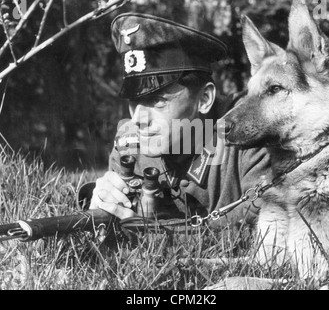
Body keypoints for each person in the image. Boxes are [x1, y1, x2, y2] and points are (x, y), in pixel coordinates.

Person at [87, 13, 272, 231]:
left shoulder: (248, 130)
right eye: (134, 101)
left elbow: (260, 226)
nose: (138, 119)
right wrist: (101, 205)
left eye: (157, 101)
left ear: (204, 99)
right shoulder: (129, 144)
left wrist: (153, 235)